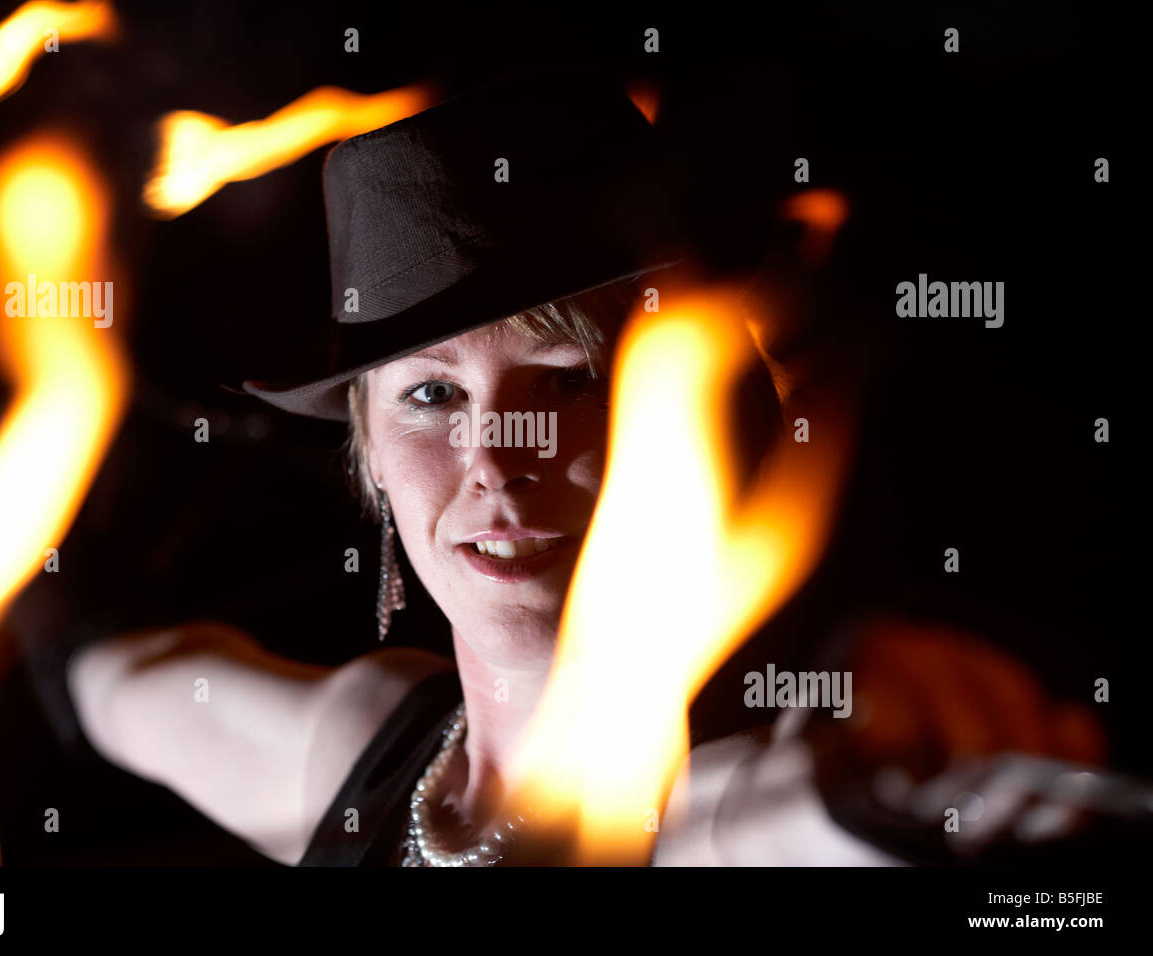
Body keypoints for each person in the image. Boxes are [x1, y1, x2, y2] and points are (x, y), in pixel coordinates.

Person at [66, 69, 1108, 866]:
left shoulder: (720, 803)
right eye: (431, 395)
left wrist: (894, 788)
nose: (494, 460)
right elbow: (103, 664)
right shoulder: (348, 747)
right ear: (370, 453)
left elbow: (801, 821)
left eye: (565, 379)